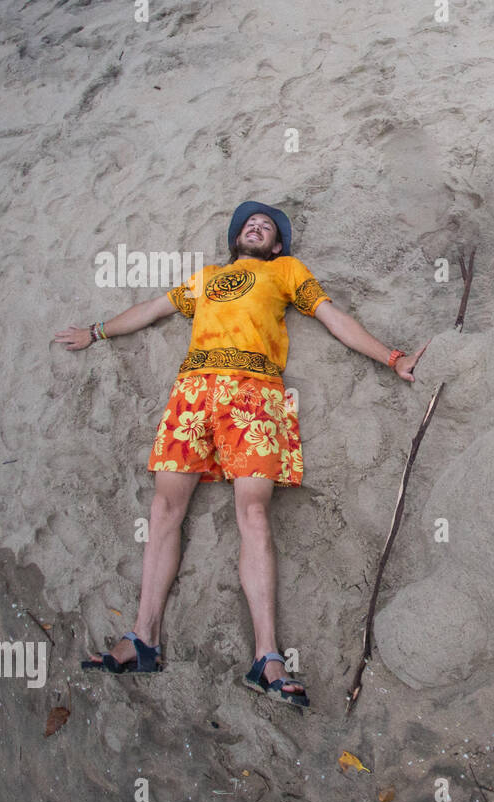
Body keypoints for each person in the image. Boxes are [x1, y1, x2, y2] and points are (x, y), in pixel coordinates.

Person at [55, 201, 427, 706]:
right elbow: (150, 310)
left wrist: (392, 357)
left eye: (267, 227)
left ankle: (266, 657)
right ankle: (144, 638)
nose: (256, 226)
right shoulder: (206, 279)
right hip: (192, 392)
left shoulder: (288, 272)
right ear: (237, 239)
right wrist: (96, 331)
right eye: (248, 223)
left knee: (253, 511)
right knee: (165, 508)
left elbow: (334, 319)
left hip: (254, 395)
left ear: (275, 246)